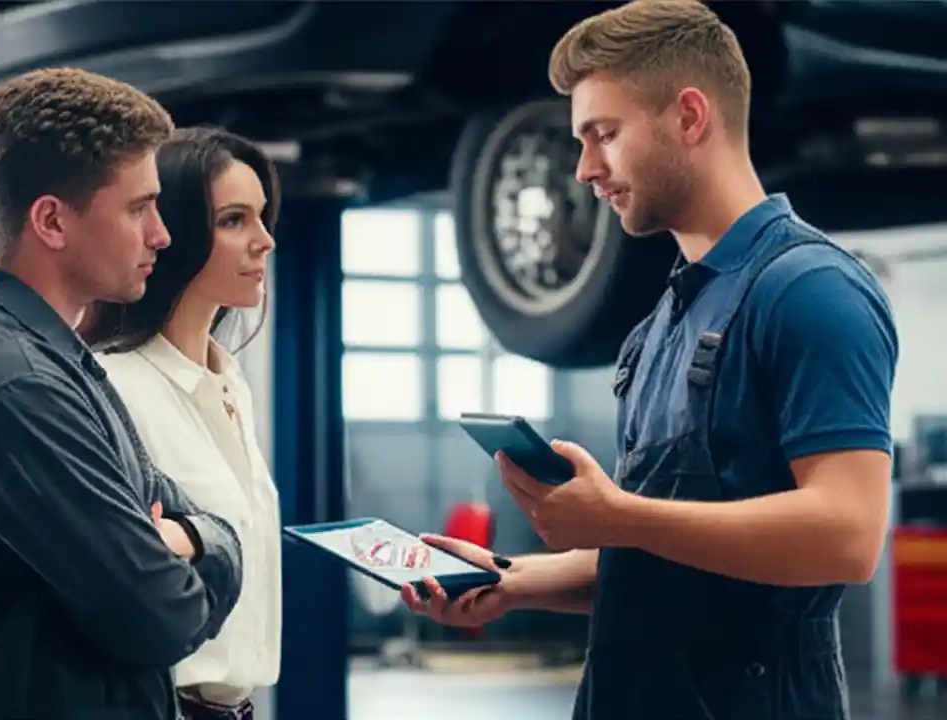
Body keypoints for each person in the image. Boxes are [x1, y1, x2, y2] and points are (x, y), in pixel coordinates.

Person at [403, 2, 898, 719]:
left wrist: (620, 516)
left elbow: (846, 535)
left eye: (605, 134)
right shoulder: (664, 321)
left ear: (690, 117)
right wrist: (516, 581)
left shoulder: (810, 292)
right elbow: (667, 559)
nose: (584, 169)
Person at [0, 67, 244, 720]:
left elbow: (197, 525)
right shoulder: (10, 384)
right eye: (139, 207)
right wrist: (207, 543)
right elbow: (163, 617)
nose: (161, 234)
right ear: (51, 221)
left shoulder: (52, 360)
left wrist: (192, 536)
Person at [81, 126, 282, 720]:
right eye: (234, 221)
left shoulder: (231, 383)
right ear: (170, 232)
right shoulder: (113, 384)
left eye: (263, 218)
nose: (264, 241)